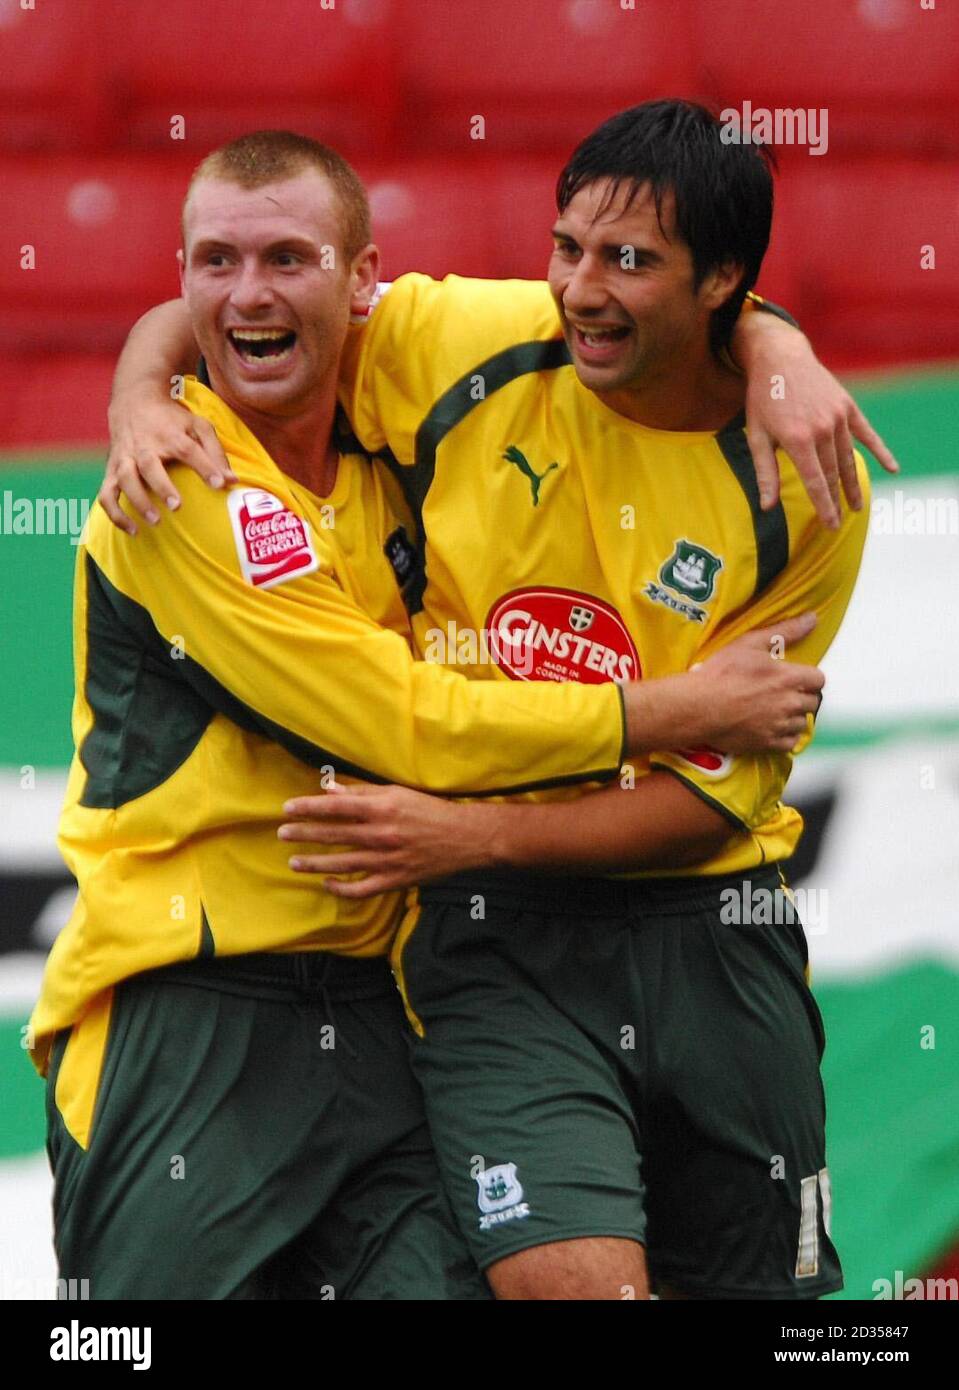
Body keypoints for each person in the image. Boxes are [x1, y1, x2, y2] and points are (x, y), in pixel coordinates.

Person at [97, 104, 886, 1300]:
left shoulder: (805, 481)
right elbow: (258, 302)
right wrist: (141, 387)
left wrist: (779, 352)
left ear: (723, 279)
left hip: (710, 930)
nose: (579, 288)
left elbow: (704, 805)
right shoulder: (473, 337)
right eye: (566, 247)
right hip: (493, 936)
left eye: (627, 261)